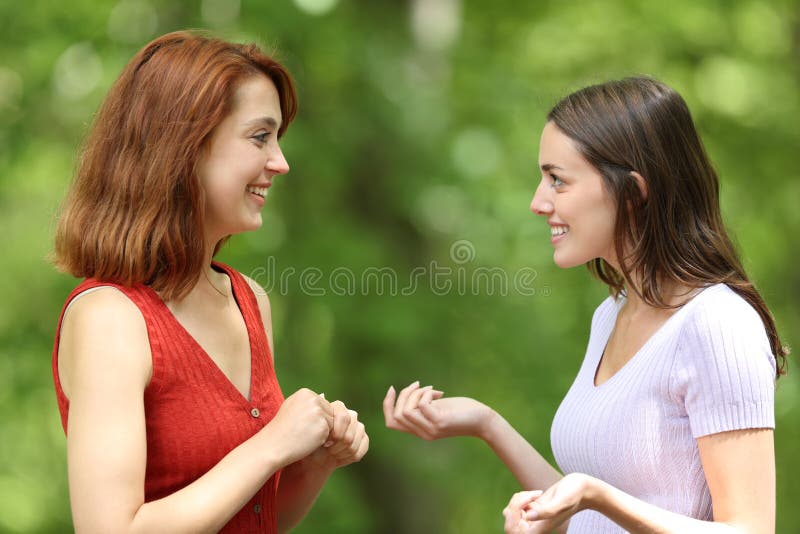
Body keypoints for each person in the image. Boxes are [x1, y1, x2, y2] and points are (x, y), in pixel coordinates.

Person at [384, 76, 787, 533]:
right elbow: (591, 516)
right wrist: (486, 423)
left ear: (632, 193)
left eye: (558, 180)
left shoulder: (718, 323)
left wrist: (597, 494)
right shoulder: (611, 314)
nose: (538, 202)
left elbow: (752, 529)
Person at [51, 31, 368, 533]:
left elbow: (253, 517)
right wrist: (272, 445)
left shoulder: (248, 302)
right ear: (184, 147)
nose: (280, 162)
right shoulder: (109, 317)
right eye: (260, 137)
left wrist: (314, 464)